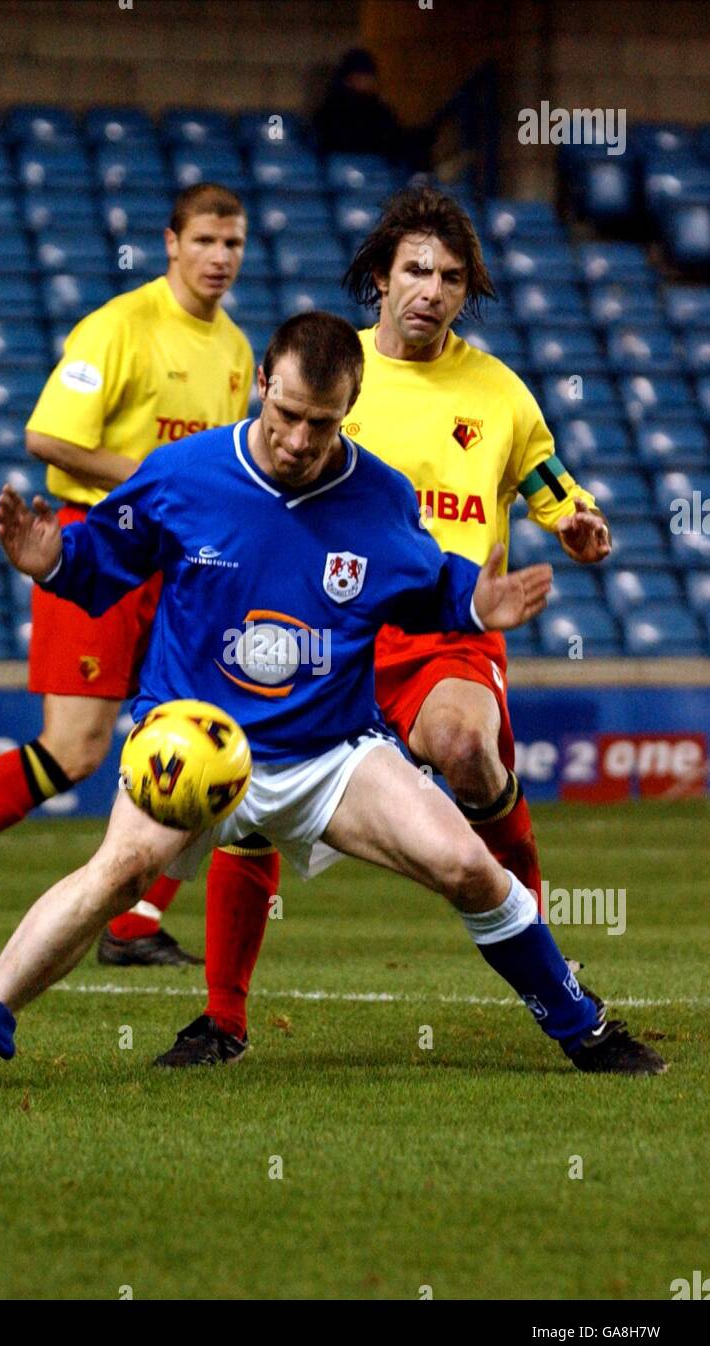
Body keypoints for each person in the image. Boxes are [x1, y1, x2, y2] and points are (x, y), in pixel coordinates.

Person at [0, 312, 665, 1091]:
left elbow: (429, 586)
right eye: (287, 414)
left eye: (321, 423)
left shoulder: (380, 497)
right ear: (263, 384)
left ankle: (582, 1027)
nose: (298, 439)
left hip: (330, 752)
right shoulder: (182, 473)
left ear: (349, 407)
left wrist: (474, 604)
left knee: (467, 864)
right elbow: (99, 562)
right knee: (119, 871)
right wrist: (52, 561)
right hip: (192, 738)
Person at [165, 185, 613, 1068]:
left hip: (448, 628)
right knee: (247, 806)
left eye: (450, 277)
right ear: (380, 275)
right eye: (416, 269)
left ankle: (539, 942)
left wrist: (576, 522)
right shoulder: (332, 380)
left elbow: (551, 481)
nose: (432, 290)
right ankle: (222, 1020)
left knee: (465, 746)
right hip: (328, 630)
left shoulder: (499, 391)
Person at [0, 181, 277, 971]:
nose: (220, 258)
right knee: (74, 752)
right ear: (170, 242)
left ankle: (135, 922)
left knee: (219, 735)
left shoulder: (234, 347)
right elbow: (49, 436)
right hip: (100, 545)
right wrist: (161, 479)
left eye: (234, 244)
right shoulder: (119, 327)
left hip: (181, 559)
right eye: (205, 242)